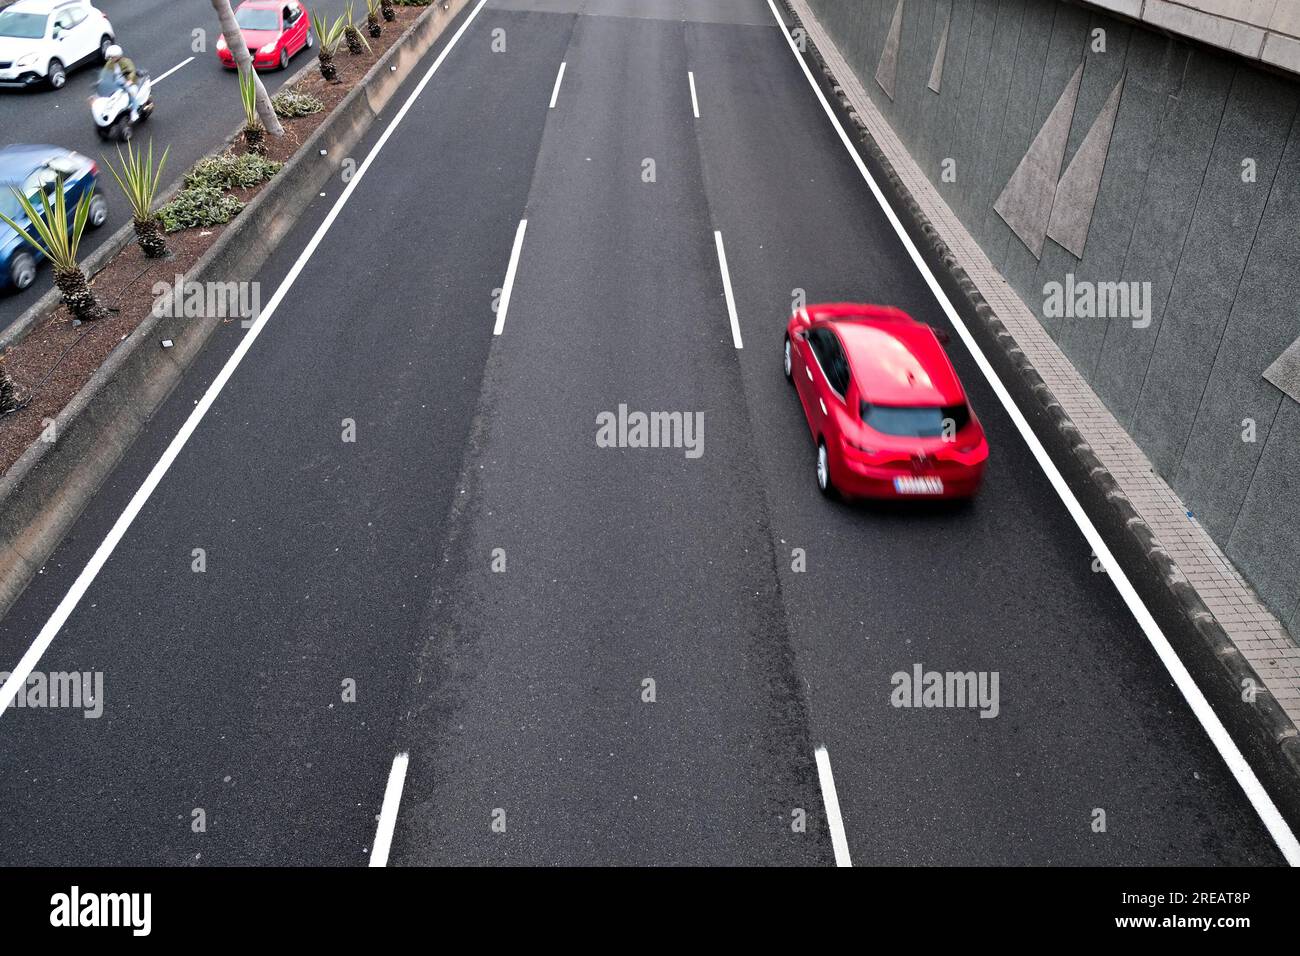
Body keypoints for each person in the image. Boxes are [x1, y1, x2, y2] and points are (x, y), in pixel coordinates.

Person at [100, 45, 140, 122]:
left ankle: (134, 112)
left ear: (118, 56)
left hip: (129, 83)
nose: (111, 59)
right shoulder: (109, 64)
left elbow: (132, 71)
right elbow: (104, 73)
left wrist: (130, 80)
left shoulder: (126, 61)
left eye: (113, 57)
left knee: (131, 94)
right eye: (110, 57)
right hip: (116, 84)